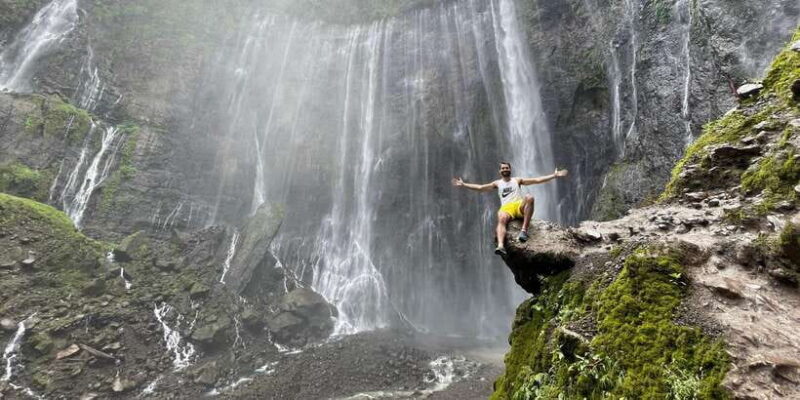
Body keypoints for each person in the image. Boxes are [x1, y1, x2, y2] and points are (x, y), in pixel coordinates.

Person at [452, 162, 568, 257]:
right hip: (506, 208)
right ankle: (501, 246)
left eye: (507, 168)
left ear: (510, 169)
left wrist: (554, 176)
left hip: (519, 205)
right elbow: (481, 188)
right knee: (502, 218)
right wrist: (464, 184)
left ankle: (523, 231)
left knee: (529, 197)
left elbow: (537, 180)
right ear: (500, 171)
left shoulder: (517, 180)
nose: (505, 169)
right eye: (503, 168)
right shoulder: (497, 183)